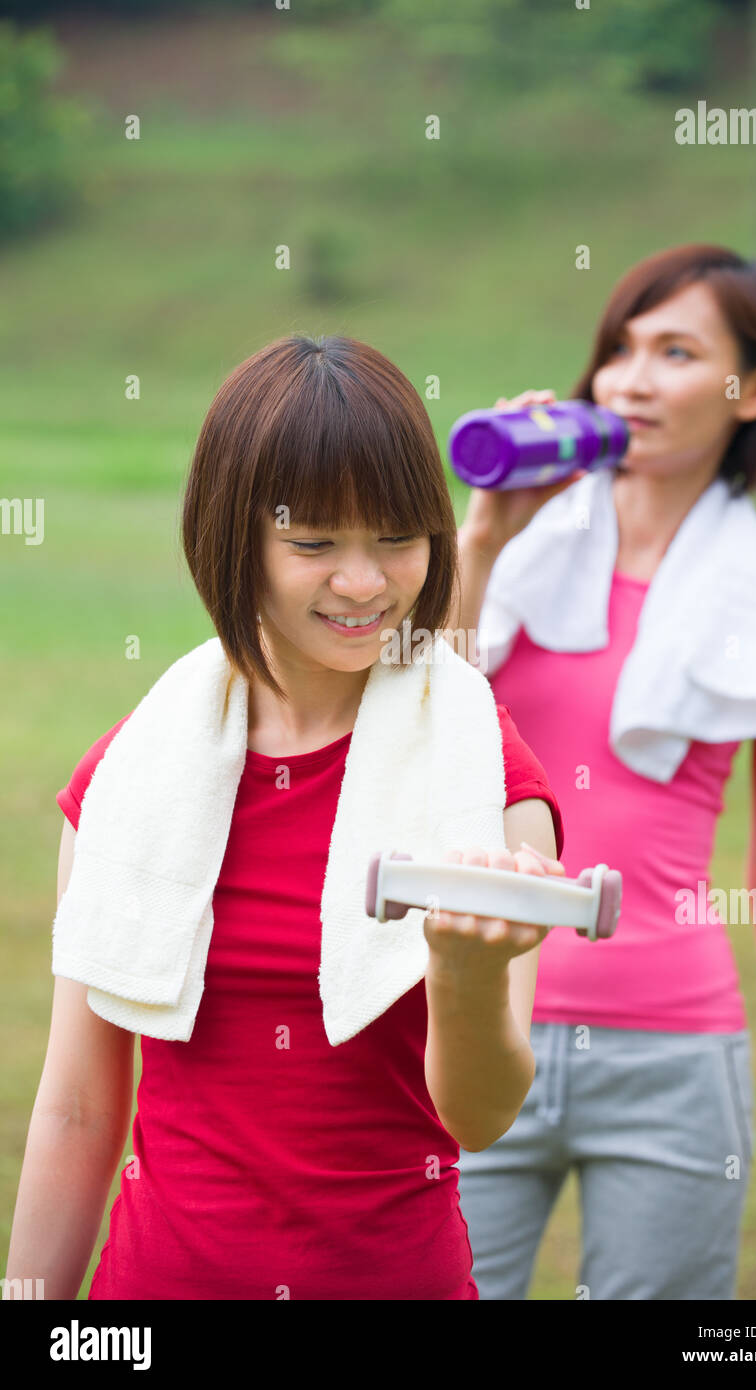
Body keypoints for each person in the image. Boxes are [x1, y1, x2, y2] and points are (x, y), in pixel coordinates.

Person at [5, 334, 569, 1302]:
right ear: (234, 535)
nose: (365, 583)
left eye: (397, 536)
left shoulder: (489, 773)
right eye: (314, 543)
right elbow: (76, 1113)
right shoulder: (127, 776)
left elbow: (479, 1118)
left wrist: (468, 976)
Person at [452, 244, 756, 1300]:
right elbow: (412, 715)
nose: (629, 378)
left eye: (676, 351)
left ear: (755, 390)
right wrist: (481, 540)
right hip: (474, 1019)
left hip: (677, 1057)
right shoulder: (512, 552)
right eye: (620, 348)